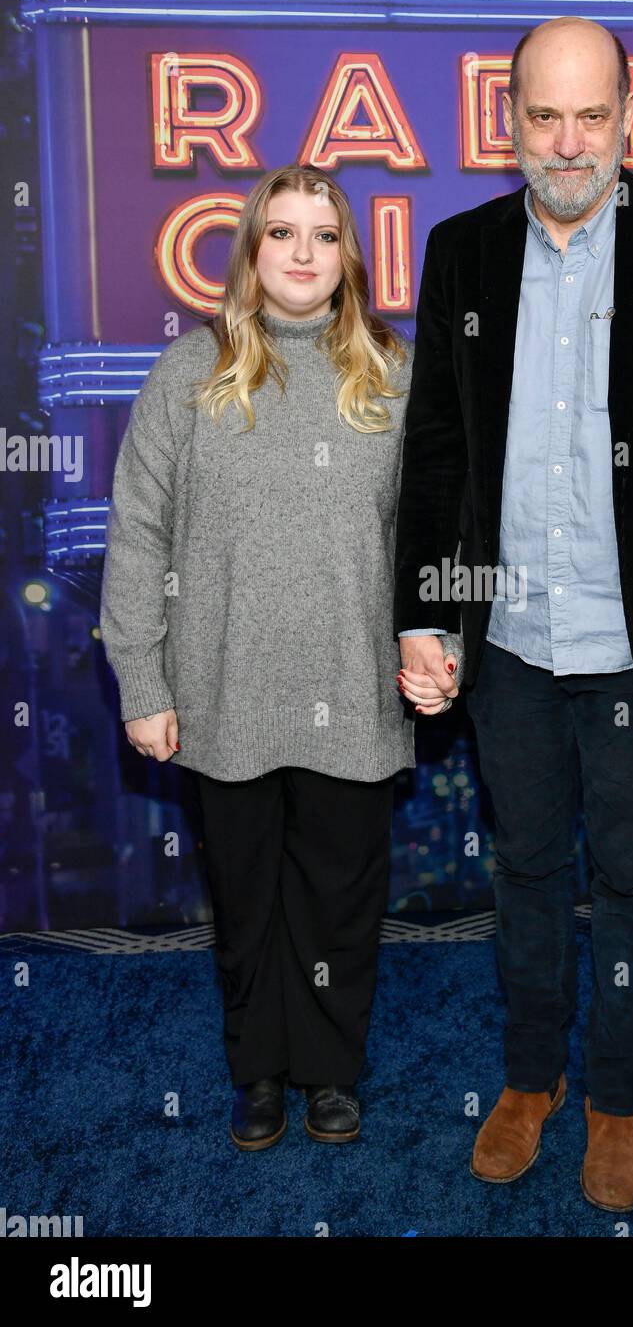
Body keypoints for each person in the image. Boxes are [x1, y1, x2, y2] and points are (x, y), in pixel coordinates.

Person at [394, 17, 633, 1210]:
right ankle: (531, 1078)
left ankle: (612, 1096)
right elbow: (439, 453)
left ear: (630, 115)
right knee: (520, 870)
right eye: (542, 117)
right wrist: (426, 612)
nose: (568, 144)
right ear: (508, 121)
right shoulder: (461, 253)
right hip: (508, 639)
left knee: (627, 877)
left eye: (591, 116)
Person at [100, 164, 463, 1151]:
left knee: (342, 901)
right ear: (252, 252)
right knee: (249, 899)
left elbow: (439, 530)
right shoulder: (189, 371)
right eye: (282, 233)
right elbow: (137, 530)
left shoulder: (398, 370)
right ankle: (259, 1073)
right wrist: (143, 677)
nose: (302, 253)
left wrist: (445, 644)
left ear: (349, 255)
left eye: (323, 234)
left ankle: (329, 1074)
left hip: (353, 692)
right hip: (223, 692)